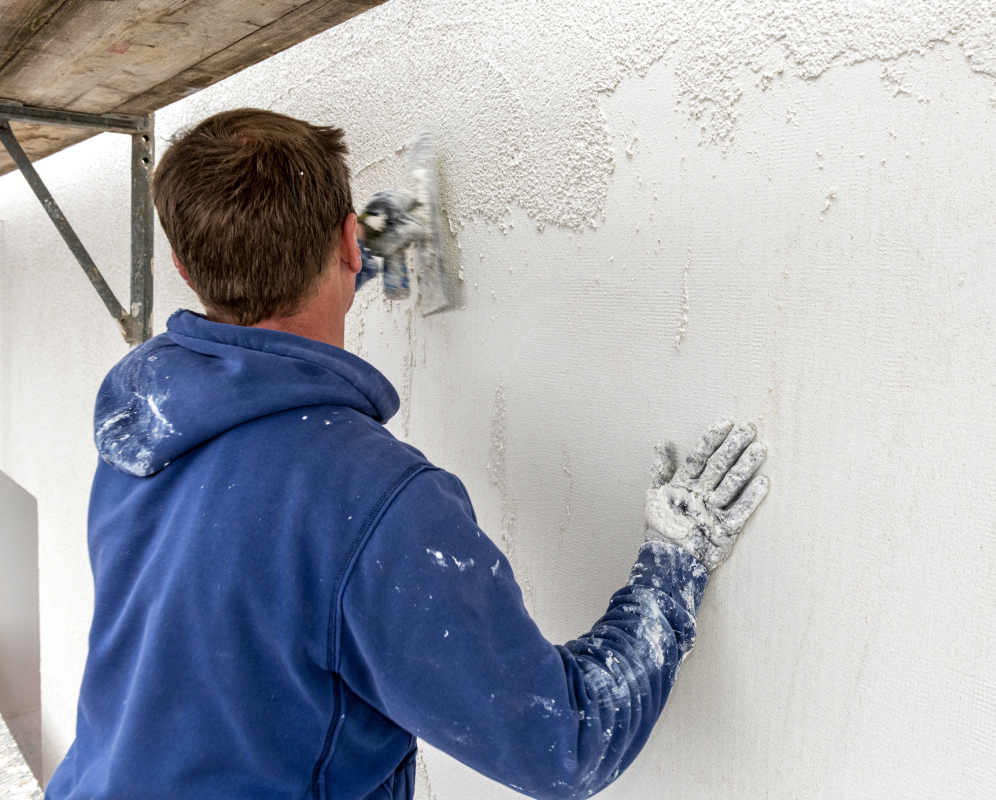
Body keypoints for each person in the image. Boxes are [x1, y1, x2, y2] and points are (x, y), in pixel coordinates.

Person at [45, 108, 769, 800]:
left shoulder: (144, 410)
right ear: (350, 241)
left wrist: (336, 264)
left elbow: (251, 332)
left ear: (180, 264)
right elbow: (562, 745)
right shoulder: (372, 502)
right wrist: (674, 566)